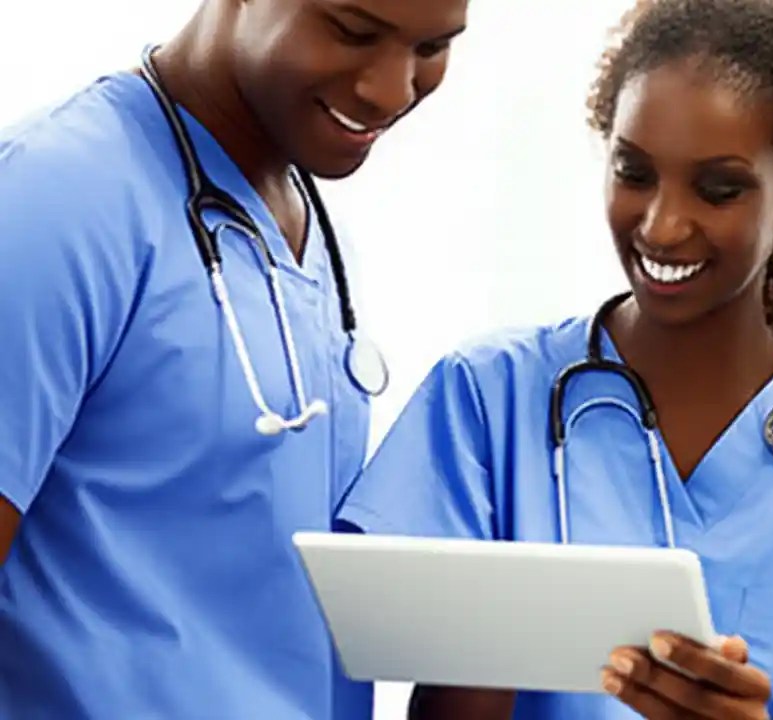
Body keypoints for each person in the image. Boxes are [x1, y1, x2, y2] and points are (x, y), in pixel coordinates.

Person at [336, 1, 773, 718]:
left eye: (718, 189)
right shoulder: (485, 399)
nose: (661, 226)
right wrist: (501, 636)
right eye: (634, 173)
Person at [0, 1, 468, 718]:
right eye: (352, 32)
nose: (390, 90)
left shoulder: (296, 217)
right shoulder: (58, 196)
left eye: (432, 47)